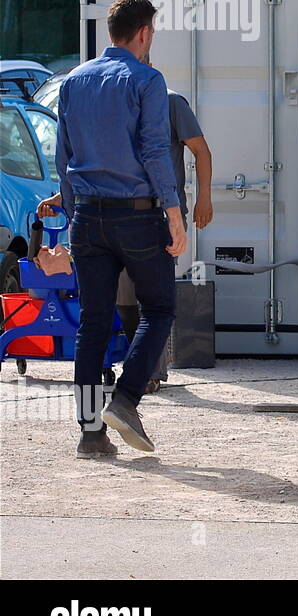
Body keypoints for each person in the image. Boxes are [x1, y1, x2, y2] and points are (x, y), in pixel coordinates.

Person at [41, 0, 187, 458]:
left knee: (93, 323)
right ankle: (125, 401)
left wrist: (69, 208)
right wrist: (174, 213)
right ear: (143, 33)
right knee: (159, 309)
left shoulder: (73, 81)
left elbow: (63, 156)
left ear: (111, 31)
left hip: (87, 216)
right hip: (138, 216)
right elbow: (153, 151)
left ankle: (90, 434)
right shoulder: (147, 79)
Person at [115, 62, 212, 393]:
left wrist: (203, 199)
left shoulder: (172, 103)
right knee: (124, 296)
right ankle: (143, 363)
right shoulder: (122, 106)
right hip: (124, 214)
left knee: (151, 295)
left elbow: (201, 151)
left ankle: (150, 372)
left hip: (163, 215)